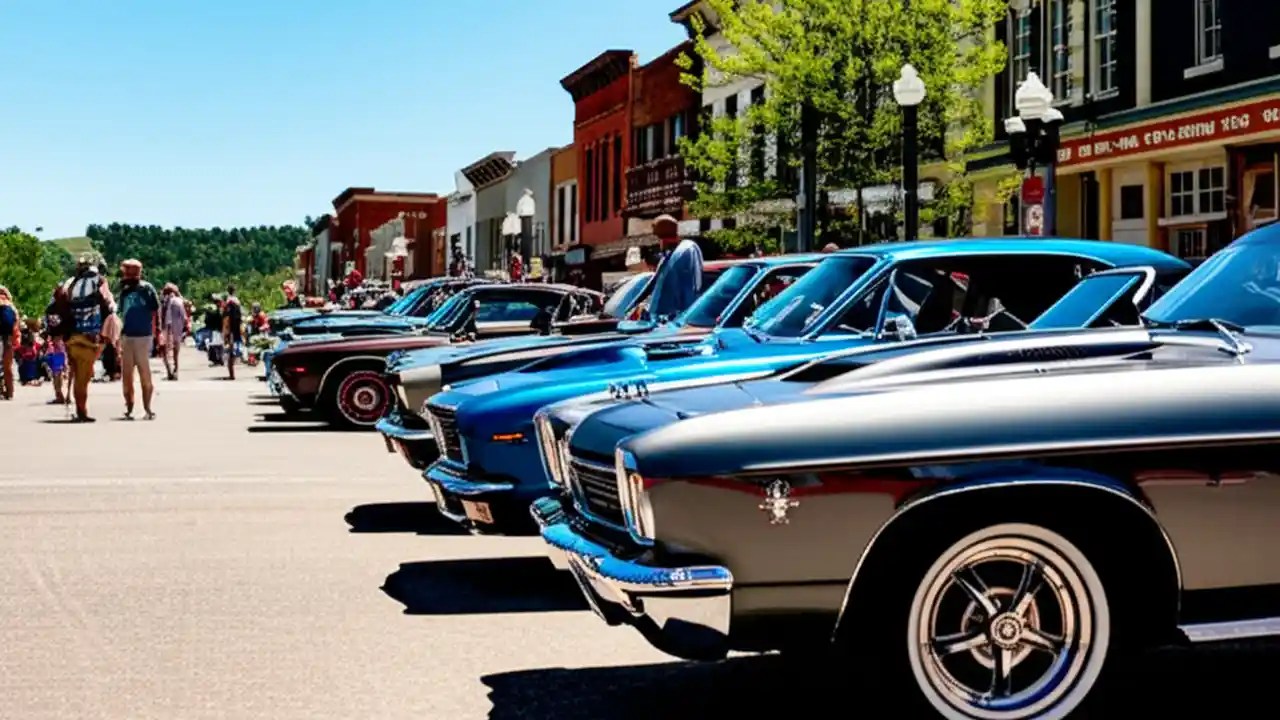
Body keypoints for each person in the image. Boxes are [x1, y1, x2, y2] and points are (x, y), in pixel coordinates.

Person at [63, 254, 114, 422]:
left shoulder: (70, 283)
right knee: (82, 379)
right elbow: (109, 303)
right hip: (89, 337)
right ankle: (81, 412)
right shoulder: (98, 281)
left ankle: (79, 409)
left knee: (77, 373)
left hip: (71, 336)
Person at [117, 259, 160, 419]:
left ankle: (146, 408)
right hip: (129, 335)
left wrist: (157, 333)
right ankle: (131, 407)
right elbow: (120, 313)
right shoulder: (125, 291)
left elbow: (155, 311)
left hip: (141, 336)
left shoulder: (146, 289)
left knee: (142, 374)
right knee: (128, 375)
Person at [643, 214, 704, 323]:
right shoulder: (668, 258)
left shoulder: (682, 255)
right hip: (659, 320)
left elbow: (687, 292)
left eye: (657, 236)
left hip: (673, 320)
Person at [159, 283, 186, 380]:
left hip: (164, 330)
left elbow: (159, 316)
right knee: (175, 352)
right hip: (176, 330)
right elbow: (183, 317)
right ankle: (175, 370)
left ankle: (169, 371)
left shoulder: (162, 302)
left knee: (165, 351)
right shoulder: (178, 301)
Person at [221, 285, 242, 380]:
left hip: (230, 328)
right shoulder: (237, 301)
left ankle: (231, 374)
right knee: (232, 351)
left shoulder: (228, 302)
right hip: (236, 328)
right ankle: (232, 374)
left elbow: (225, 315)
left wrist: (225, 330)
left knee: (230, 351)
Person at [0, 286, 17, 400]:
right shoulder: (11, 306)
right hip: (8, 339)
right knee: (8, 367)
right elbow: (16, 325)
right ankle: (10, 392)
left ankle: (2, 390)